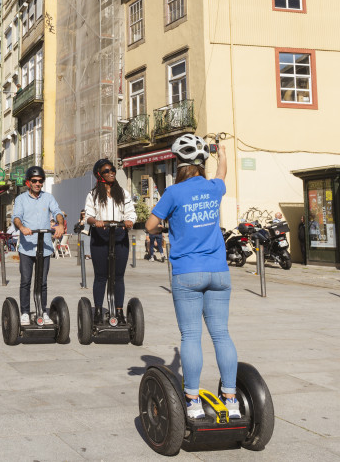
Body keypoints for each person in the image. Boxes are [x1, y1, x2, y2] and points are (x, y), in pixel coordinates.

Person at [145, 134, 239, 420]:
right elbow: (222, 173)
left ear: (179, 163)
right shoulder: (213, 187)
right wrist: (223, 153)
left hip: (187, 272)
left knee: (190, 336)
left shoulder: (173, 192)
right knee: (221, 334)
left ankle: (193, 401)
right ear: (201, 162)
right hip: (218, 272)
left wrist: (164, 228)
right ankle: (231, 399)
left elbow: (150, 225)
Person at [84, 159, 136, 324]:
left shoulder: (123, 193)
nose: (111, 172)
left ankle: (119, 311)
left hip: (119, 235)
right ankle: (98, 311)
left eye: (112, 169)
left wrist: (129, 220)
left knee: (118, 276)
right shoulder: (93, 194)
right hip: (100, 236)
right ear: (99, 175)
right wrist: (95, 221)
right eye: (106, 171)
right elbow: (88, 215)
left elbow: (130, 212)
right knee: (101, 276)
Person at [12, 165, 65, 326]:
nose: (38, 184)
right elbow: (16, 217)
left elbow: (57, 212)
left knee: (42, 282)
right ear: (28, 182)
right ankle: (25, 312)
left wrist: (60, 224)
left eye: (40, 181)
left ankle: (42, 311)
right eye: (34, 181)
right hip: (27, 247)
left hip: (45, 247)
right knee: (26, 281)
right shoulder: (20, 199)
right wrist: (22, 228)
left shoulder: (48, 197)